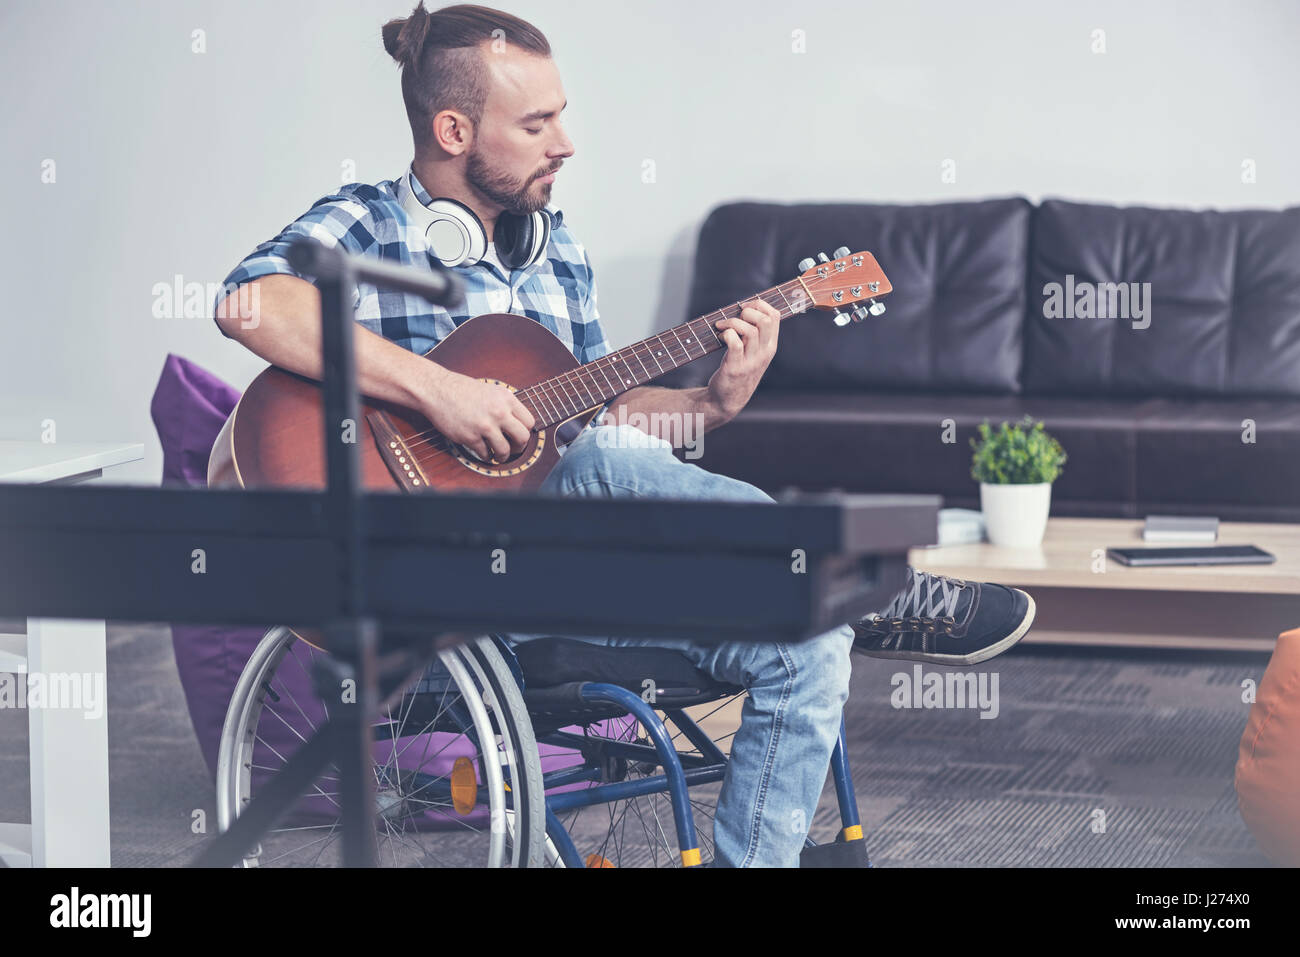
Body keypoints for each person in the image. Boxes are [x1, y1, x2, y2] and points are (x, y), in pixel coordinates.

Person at [213, 2, 1035, 867]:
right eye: (538, 122)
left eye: (562, 114)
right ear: (453, 129)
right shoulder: (368, 226)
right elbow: (249, 304)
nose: (566, 141)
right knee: (611, 463)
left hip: (582, 578)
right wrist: (441, 392)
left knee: (809, 641)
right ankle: (855, 569)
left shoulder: (556, 250)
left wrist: (714, 404)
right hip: (434, 589)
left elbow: (601, 434)